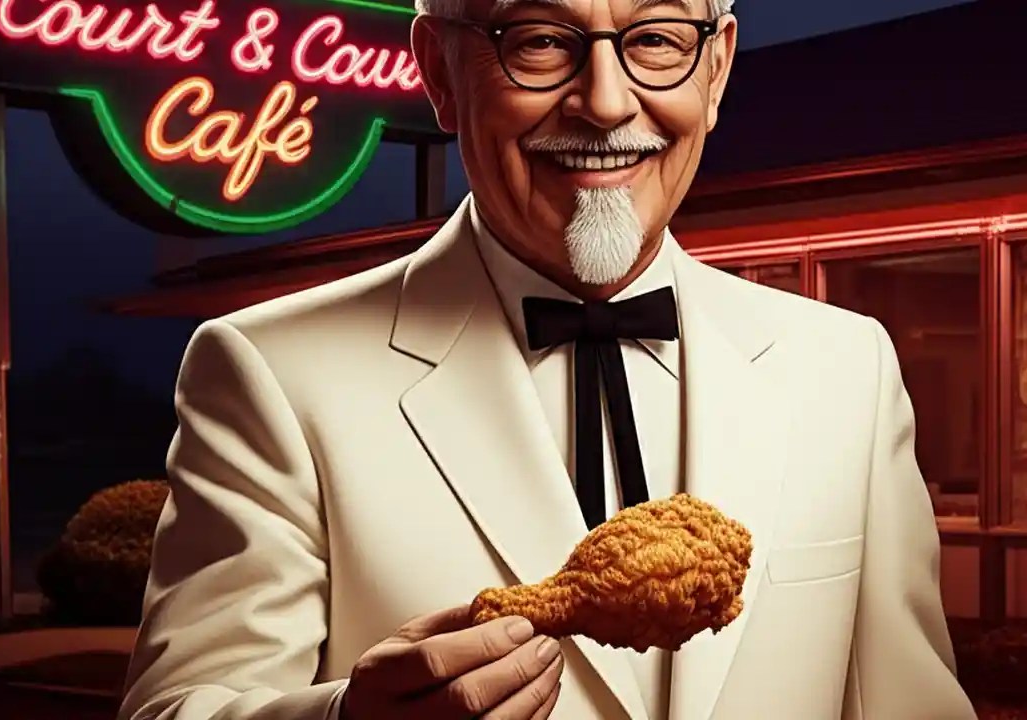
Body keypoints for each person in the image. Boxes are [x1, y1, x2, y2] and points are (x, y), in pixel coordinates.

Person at [118, 0, 977, 718]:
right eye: (537, 40)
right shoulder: (271, 372)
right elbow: (177, 706)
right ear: (439, 72)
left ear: (716, 70)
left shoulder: (847, 369)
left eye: (656, 39)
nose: (605, 102)